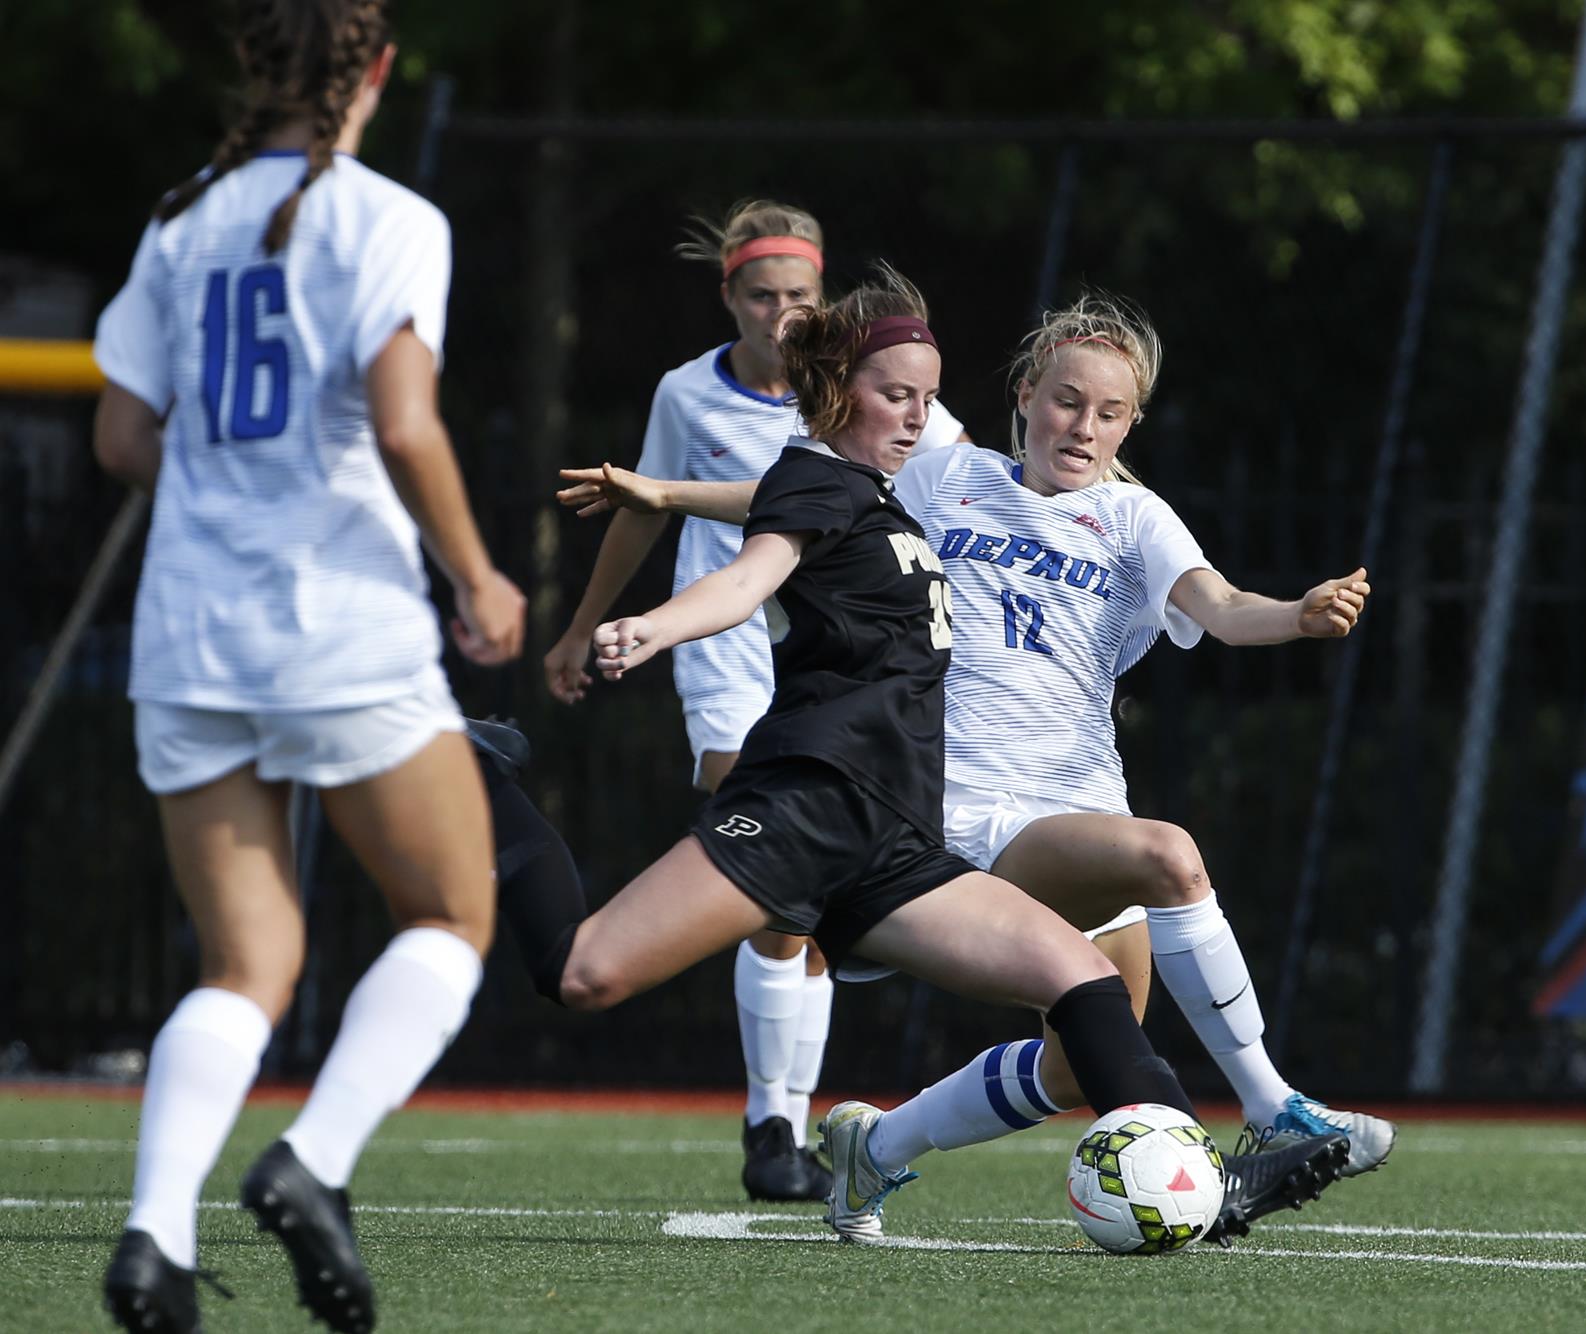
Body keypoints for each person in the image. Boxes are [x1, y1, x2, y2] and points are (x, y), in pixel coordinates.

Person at [517, 268, 1346, 1246]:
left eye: (925, 396)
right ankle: (773, 1119)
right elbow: (750, 569)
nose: (918, 416)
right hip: (823, 805)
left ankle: (929, 1151)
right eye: (896, 395)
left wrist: (1291, 614)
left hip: (913, 827)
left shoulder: (927, 493)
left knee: (1082, 994)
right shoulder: (856, 484)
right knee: (586, 971)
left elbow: (1209, 599)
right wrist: (652, 621)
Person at [90, 3, 525, 1330]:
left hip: (189, 633)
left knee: (244, 962)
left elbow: (120, 435)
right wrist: (477, 574)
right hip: (336, 621)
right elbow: (404, 423)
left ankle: (156, 1236)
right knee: (451, 914)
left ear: (248, 67)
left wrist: (230, 486)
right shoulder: (389, 217)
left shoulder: (181, 216)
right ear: (375, 73)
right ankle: (312, 1158)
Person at [540, 201, 969, 1201]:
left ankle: (783, 1117)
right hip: (727, 646)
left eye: (799, 297)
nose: (781, 314)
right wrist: (584, 624)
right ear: (727, 296)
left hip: (837, 665)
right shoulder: (688, 394)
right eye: (762, 295)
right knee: (780, 879)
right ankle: (772, 1124)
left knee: (804, 901)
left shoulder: (887, 387)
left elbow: (967, 488)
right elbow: (644, 507)